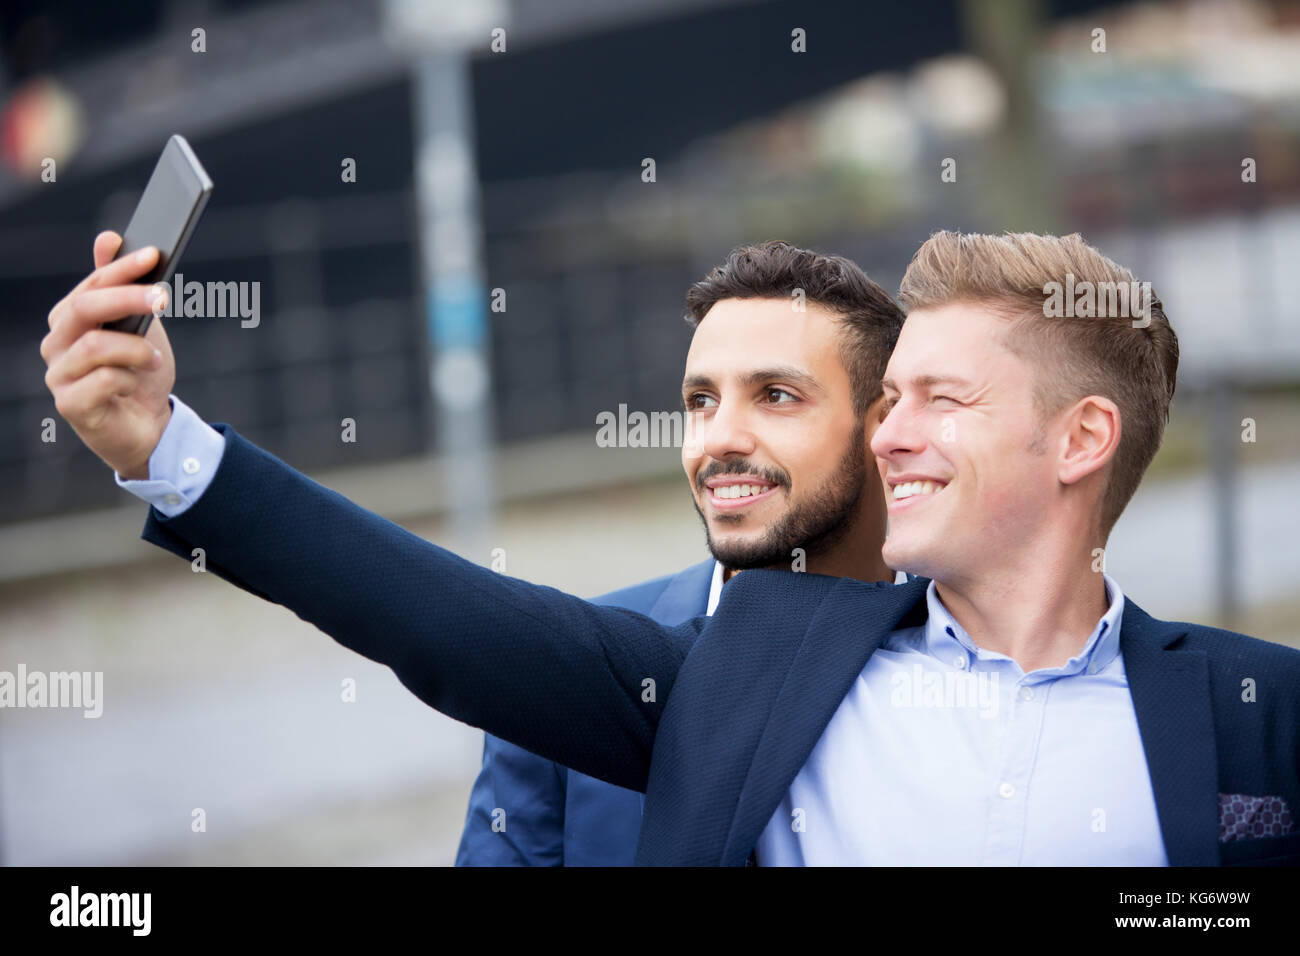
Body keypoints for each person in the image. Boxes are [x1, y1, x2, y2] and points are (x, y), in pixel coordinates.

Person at [41, 229, 1300, 865]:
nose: (890, 434)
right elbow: (440, 616)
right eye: (886, 397)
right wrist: (168, 445)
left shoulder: (1262, 713)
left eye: (937, 401)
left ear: (1081, 438)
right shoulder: (748, 659)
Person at [457, 242, 904, 865]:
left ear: (886, 426)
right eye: (701, 401)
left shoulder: (968, 653)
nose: (718, 438)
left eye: (775, 395)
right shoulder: (570, 671)